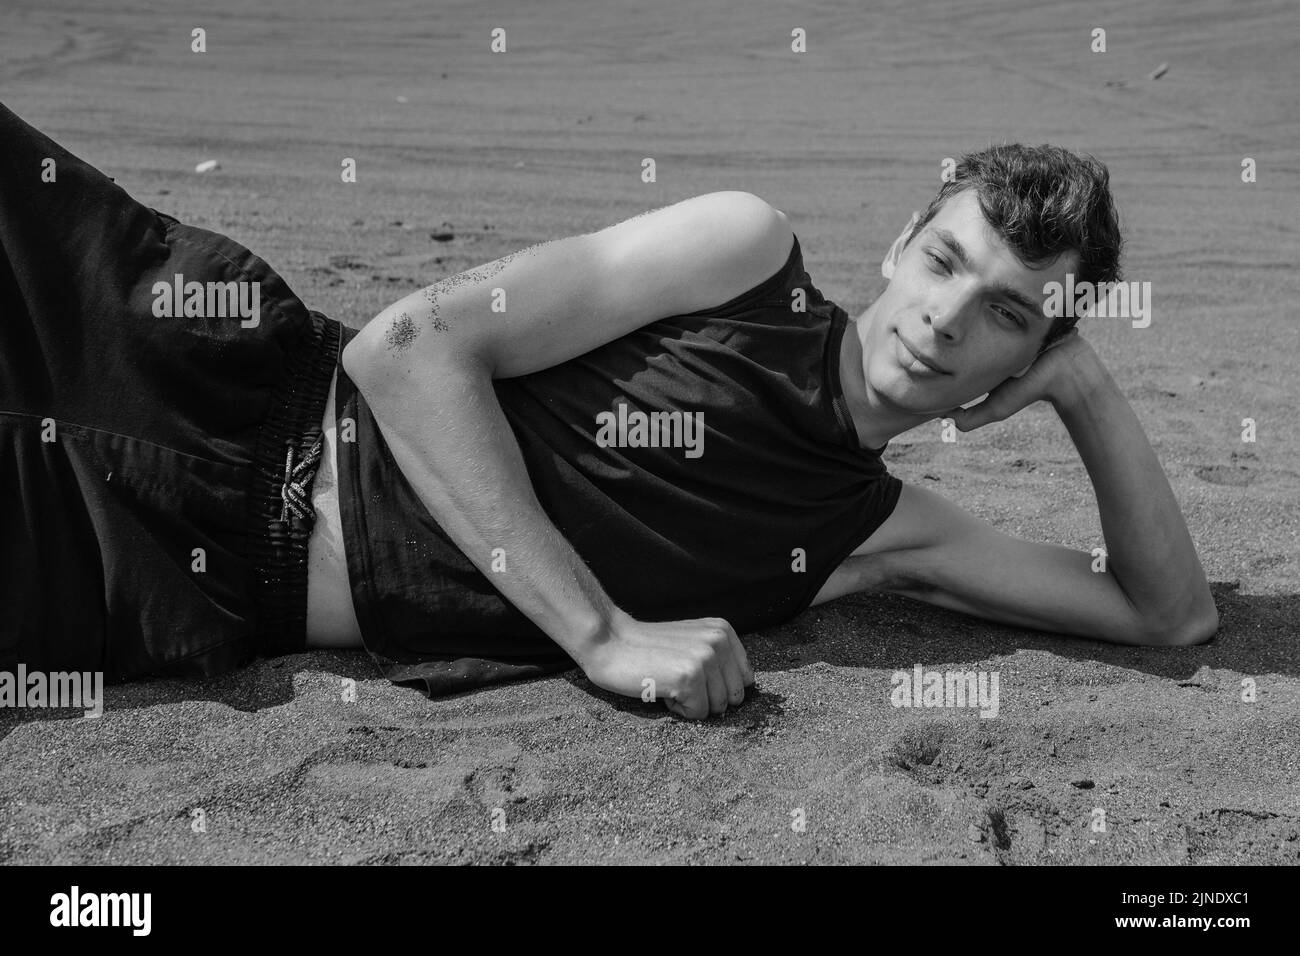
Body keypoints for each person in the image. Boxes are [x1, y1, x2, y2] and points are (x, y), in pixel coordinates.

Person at [0, 99, 1217, 720]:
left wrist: (1083, 386)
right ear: (900, 243)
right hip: (186, 358)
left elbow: (1164, 616)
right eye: (946, 263)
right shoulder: (746, 254)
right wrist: (601, 633)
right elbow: (407, 349)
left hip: (169, 574)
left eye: (1008, 315)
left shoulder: (877, 534)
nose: (949, 321)